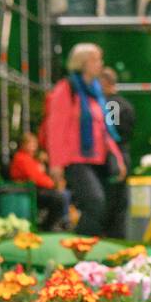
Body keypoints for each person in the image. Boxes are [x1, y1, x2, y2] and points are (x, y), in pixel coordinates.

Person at [45, 42, 127, 237]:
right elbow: (55, 129)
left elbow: (106, 130)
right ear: (83, 63)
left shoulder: (96, 92)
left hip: (98, 161)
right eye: (96, 59)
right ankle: (79, 249)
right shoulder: (66, 89)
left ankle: (87, 250)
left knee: (100, 207)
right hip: (76, 161)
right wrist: (55, 164)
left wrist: (118, 158)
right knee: (95, 203)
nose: (101, 64)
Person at [99, 66, 135, 239]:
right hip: (123, 155)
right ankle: (117, 240)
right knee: (120, 203)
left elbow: (106, 133)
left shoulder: (105, 104)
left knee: (106, 201)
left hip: (109, 158)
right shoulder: (126, 104)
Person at [8, 133, 69, 231]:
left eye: (34, 144)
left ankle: (60, 222)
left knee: (64, 194)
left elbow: (40, 175)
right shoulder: (22, 158)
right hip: (27, 192)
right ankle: (50, 225)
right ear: (23, 145)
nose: (33, 147)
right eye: (30, 144)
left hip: (33, 190)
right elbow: (36, 177)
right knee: (59, 197)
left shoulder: (30, 158)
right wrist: (54, 185)